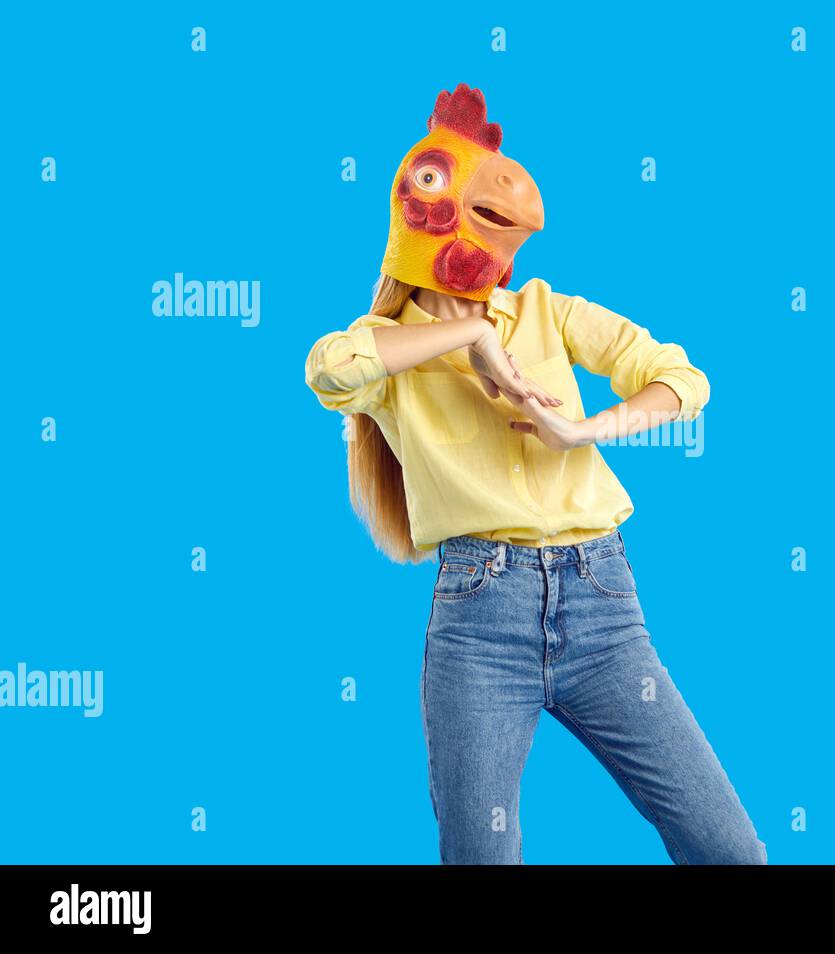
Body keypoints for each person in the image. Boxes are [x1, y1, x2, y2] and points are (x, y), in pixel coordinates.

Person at [305, 84, 765, 865]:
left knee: (728, 850)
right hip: (479, 621)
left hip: (604, 606)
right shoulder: (386, 350)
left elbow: (682, 379)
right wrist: (468, 339)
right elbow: (328, 370)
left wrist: (583, 428)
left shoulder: (549, 311)